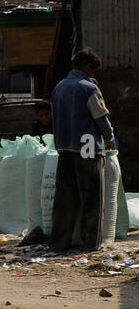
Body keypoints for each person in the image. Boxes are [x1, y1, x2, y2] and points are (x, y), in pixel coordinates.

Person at [49, 49, 117, 254]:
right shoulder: (88, 88)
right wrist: (110, 140)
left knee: (65, 199)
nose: (93, 75)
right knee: (91, 197)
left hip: (64, 147)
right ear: (87, 67)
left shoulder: (59, 87)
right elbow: (101, 118)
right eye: (93, 70)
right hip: (87, 148)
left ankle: (60, 243)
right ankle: (89, 243)